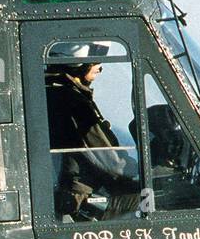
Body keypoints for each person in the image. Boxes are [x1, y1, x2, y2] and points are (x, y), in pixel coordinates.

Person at [45, 49, 139, 219]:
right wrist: (144, 168)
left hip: (72, 191)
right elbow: (113, 164)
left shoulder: (53, 93)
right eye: (95, 62)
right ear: (79, 65)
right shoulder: (73, 101)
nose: (99, 68)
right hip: (80, 198)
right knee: (150, 199)